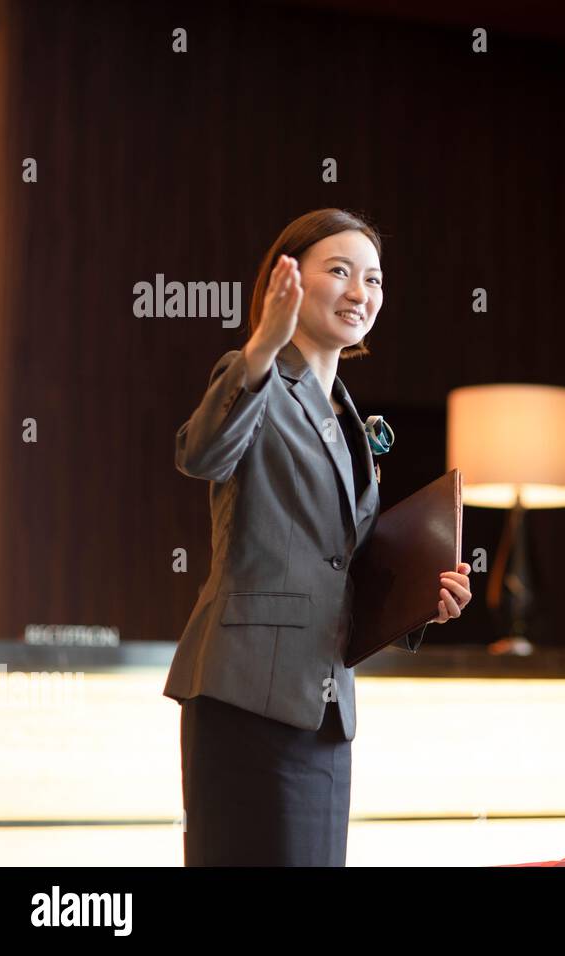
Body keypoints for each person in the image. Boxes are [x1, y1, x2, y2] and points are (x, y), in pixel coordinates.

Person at [164, 208, 472, 866]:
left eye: (375, 279)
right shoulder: (253, 373)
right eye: (340, 271)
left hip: (325, 707)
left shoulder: (349, 415)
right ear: (288, 280)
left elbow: (342, 567)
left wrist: (424, 599)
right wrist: (261, 348)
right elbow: (201, 453)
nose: (361, 292)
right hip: (247, 693)